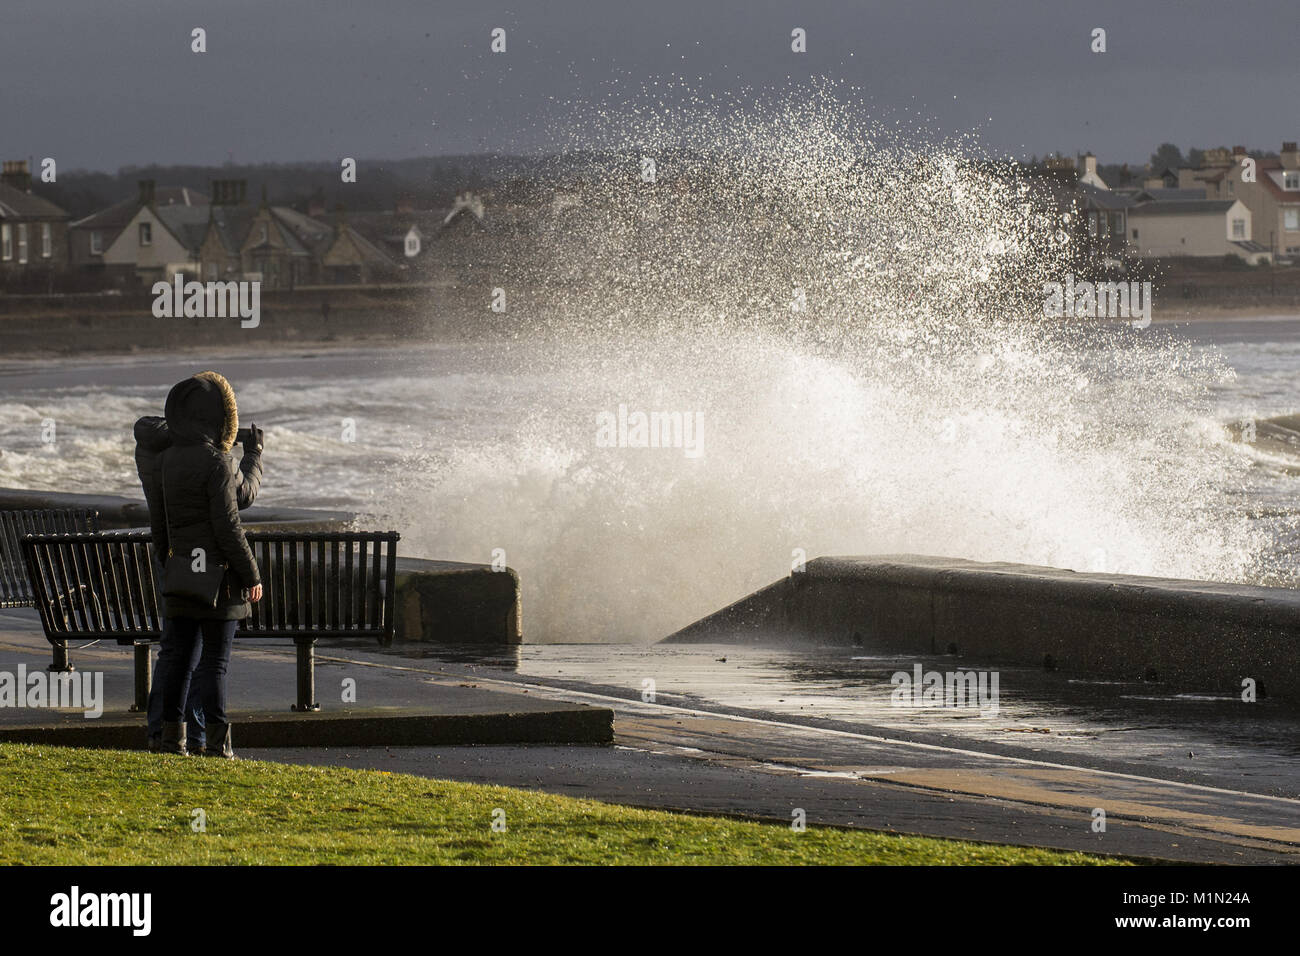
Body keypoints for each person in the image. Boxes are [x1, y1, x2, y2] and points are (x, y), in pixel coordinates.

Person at [136, 371, 263, 757]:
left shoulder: (164, 459)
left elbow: (161, 526)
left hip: (180, 574)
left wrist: (173, 562)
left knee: (176, 659)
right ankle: (217, 746)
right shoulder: (218, 463)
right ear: (220, 418)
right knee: (214, 666)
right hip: (219, 582)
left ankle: (171, 740)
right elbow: (228, 527)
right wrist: (252, 574)